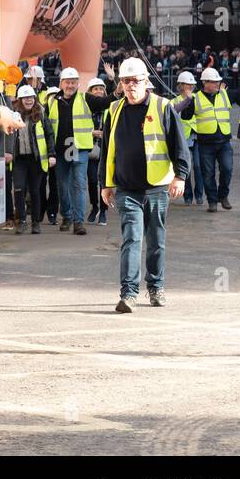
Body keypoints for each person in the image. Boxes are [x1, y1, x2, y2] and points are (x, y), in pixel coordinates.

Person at [98, 57, 190, 313]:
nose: (130, 86)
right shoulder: (114, 110)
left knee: (156, 240)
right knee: (131, 239)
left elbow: (179, 145)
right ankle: (128, 294)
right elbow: (107, 151)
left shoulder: (162, 107)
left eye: (135, 80)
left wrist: (180, 176)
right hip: (127, 188)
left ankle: (156, 287)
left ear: (146, 81)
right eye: (125, 81)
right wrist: (106, 184)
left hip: (157, 187)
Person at [175, 66, 240, 211]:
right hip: (205, 144)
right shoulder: (196, 98)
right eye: (214, 82)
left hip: (224, 142)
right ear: (205, 83)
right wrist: (187, 99)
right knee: (208, 174)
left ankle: (222, 195)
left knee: (227, 169)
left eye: (218, 81)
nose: (218, 84)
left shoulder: (225, 94)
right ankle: (212, 201)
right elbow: (186, 115)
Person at [46, 66, 115, 235]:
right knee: (62, 186)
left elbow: (105, 102)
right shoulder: (51, 101)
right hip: (61, 149)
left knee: (79, 185)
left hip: (78, 147)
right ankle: (67, 216)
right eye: (67, 82)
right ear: (61, 83)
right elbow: (45, 126)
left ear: (78, 84)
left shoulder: (86, 98)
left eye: (73, 82)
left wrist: (114, 84)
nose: (70, 85)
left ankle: (78, 222)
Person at [5, 84, 56, 234]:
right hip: (19, 160)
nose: (29, 100)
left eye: (31, 97)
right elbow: (7, 135)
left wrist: (51, 155)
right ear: (20, 100)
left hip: (36, 159)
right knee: (19, 190)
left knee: (35, 191)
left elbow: (49, 135)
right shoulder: (12, 114)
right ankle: (20, 221)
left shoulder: (40, 113)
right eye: (26, 98)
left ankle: (35, 222)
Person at [170, 71, 202, 205]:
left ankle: (199, 195)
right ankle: (188, 196)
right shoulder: (174, 101)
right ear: (181, 85)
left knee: (199, 167)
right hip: (183, 138)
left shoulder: (199, 98)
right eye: (188, 84)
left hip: (197, 135)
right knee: (187, 167)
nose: (191, 87)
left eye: (192, 84)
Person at [85, 76, 111, 226]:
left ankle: (103, 211)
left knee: (104, 182)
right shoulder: (85, 108)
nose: (99, 91)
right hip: (89, 148)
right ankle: (94, 207)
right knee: (92, 181)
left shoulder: (109, 107)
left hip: (106, 149)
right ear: (90, 91)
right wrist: (91, 132)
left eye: (101, 89)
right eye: (96, 89)